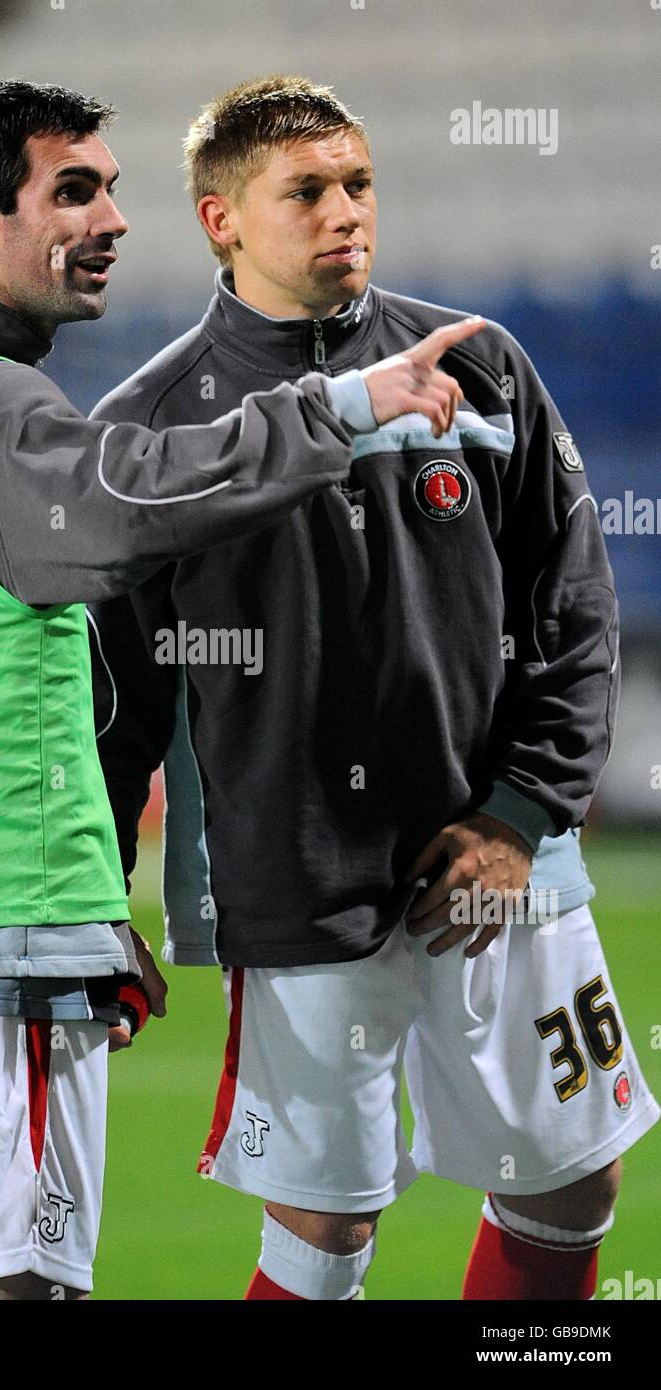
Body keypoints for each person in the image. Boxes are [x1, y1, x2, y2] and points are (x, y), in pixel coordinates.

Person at [0, 78, 477, 1303]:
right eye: (73, 192)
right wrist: (342, 406)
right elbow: (123, 505)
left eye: (113, 191)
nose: (112, 221)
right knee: (20, 1288)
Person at [88, 74, 660, 1301]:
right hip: (297, 886)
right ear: (220, 219)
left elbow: (573, 606)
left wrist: (517, 819)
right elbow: (109, 703)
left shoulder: (481, 367)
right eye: (308, 191)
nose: (347, 211)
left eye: (359, 184)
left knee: (571, 1181)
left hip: (503, 868)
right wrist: (87, 899)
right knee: (322, 1235)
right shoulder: (153, 430)